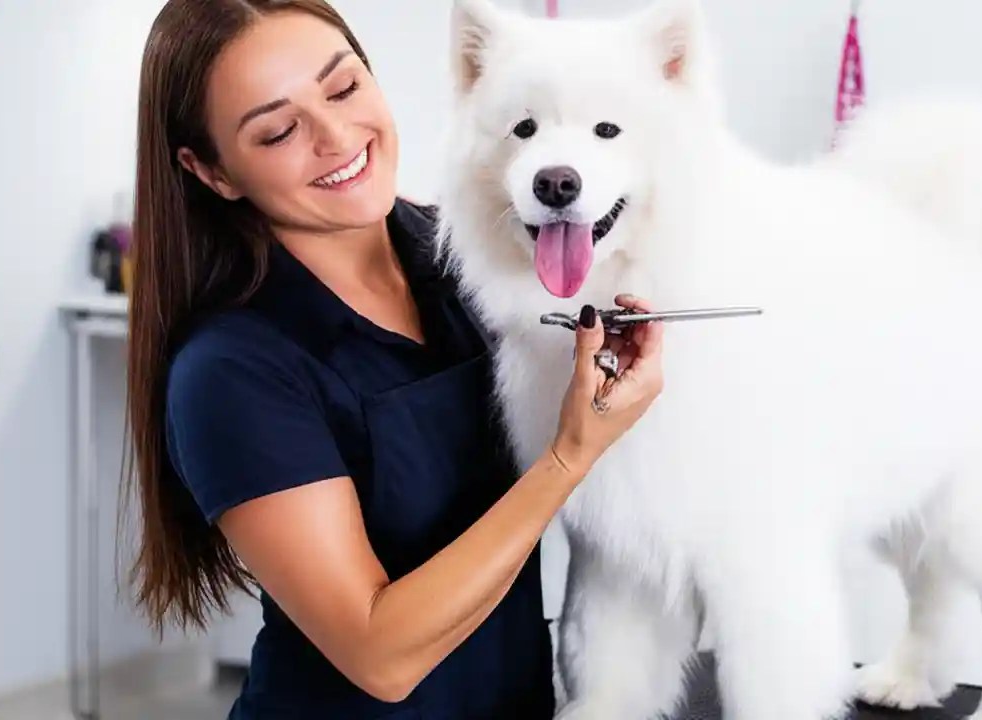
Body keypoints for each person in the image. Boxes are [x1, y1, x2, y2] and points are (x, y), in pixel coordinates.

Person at [123, 1, 665, 718]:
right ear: (213, 171)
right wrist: (568, 457)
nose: (337, 136)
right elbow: (380, 656)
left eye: (344, 88)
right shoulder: (229, 370)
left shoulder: (470, 265)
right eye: (280, 129)